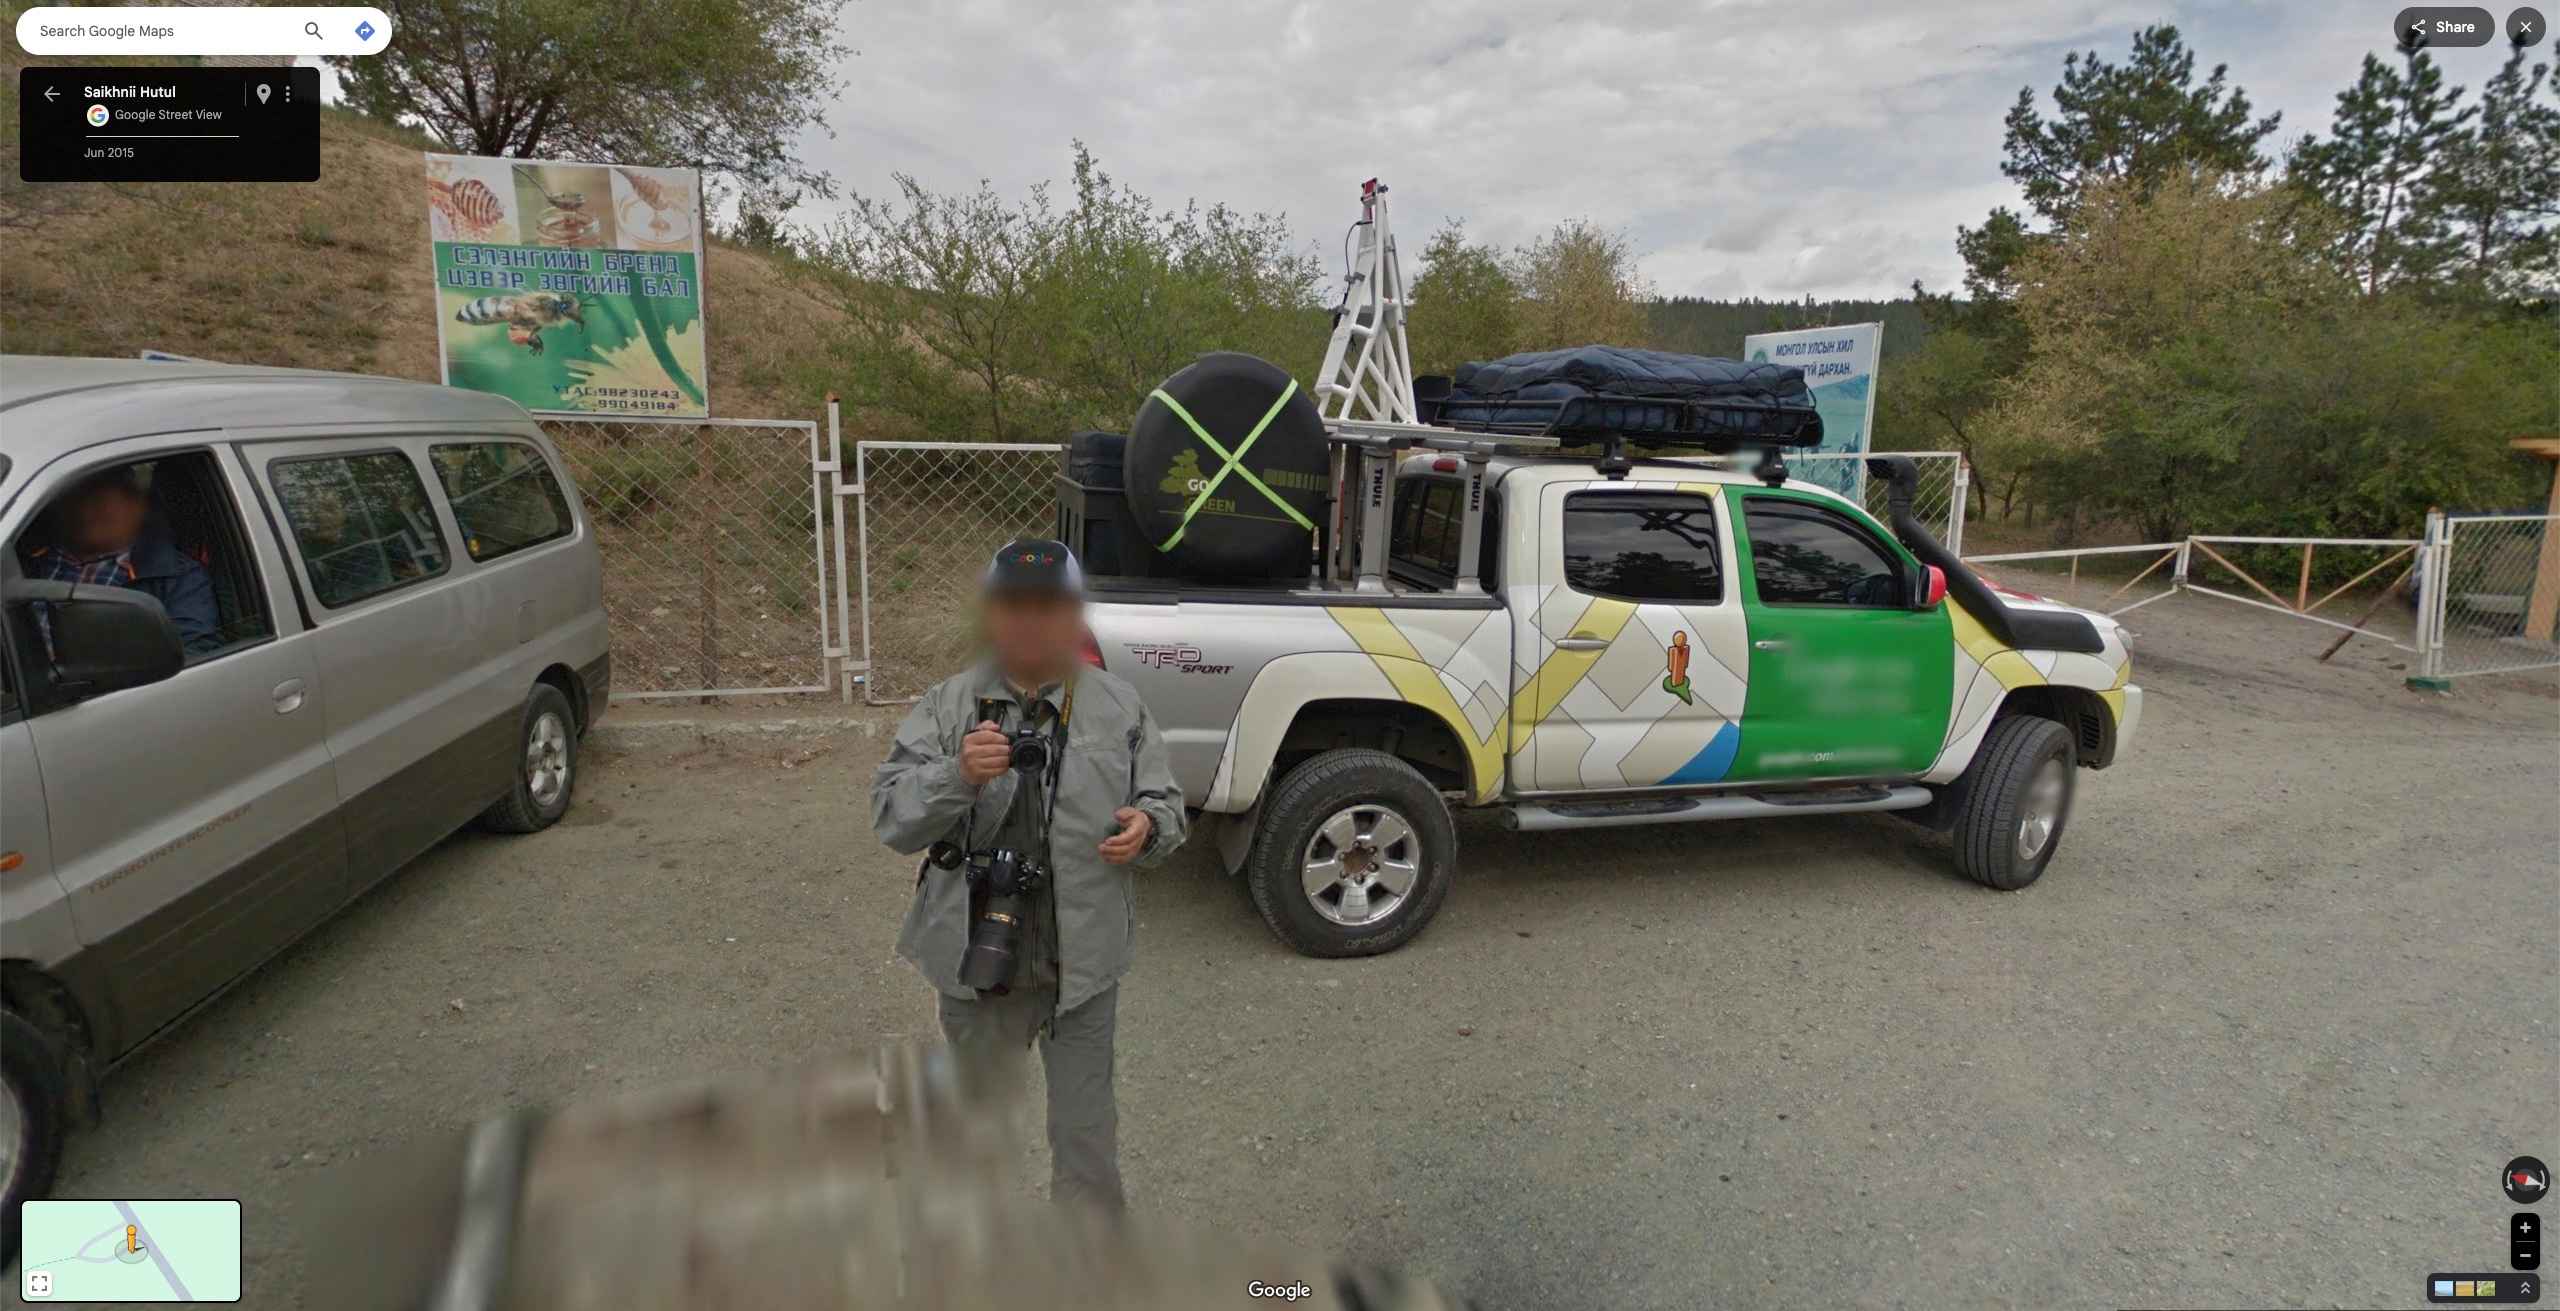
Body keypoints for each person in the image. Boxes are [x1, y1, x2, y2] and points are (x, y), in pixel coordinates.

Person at [871, 538, 1185, 1213]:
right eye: (1014, 604)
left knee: (1087, 1139)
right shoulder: (949, 706)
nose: (1031, 621)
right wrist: (955, 775)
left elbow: (1168, 804)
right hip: (978, 967)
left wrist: (1148, 827)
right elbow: (891, 818)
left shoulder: (1120, 706)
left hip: (1083, 972)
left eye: (1050, 605)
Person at [23, 466, 219, 655]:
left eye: (105, 499)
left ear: (137, 508)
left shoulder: (177, 577)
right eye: (82, 497)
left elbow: (193, 656)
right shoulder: (21, 555)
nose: (92, 509)